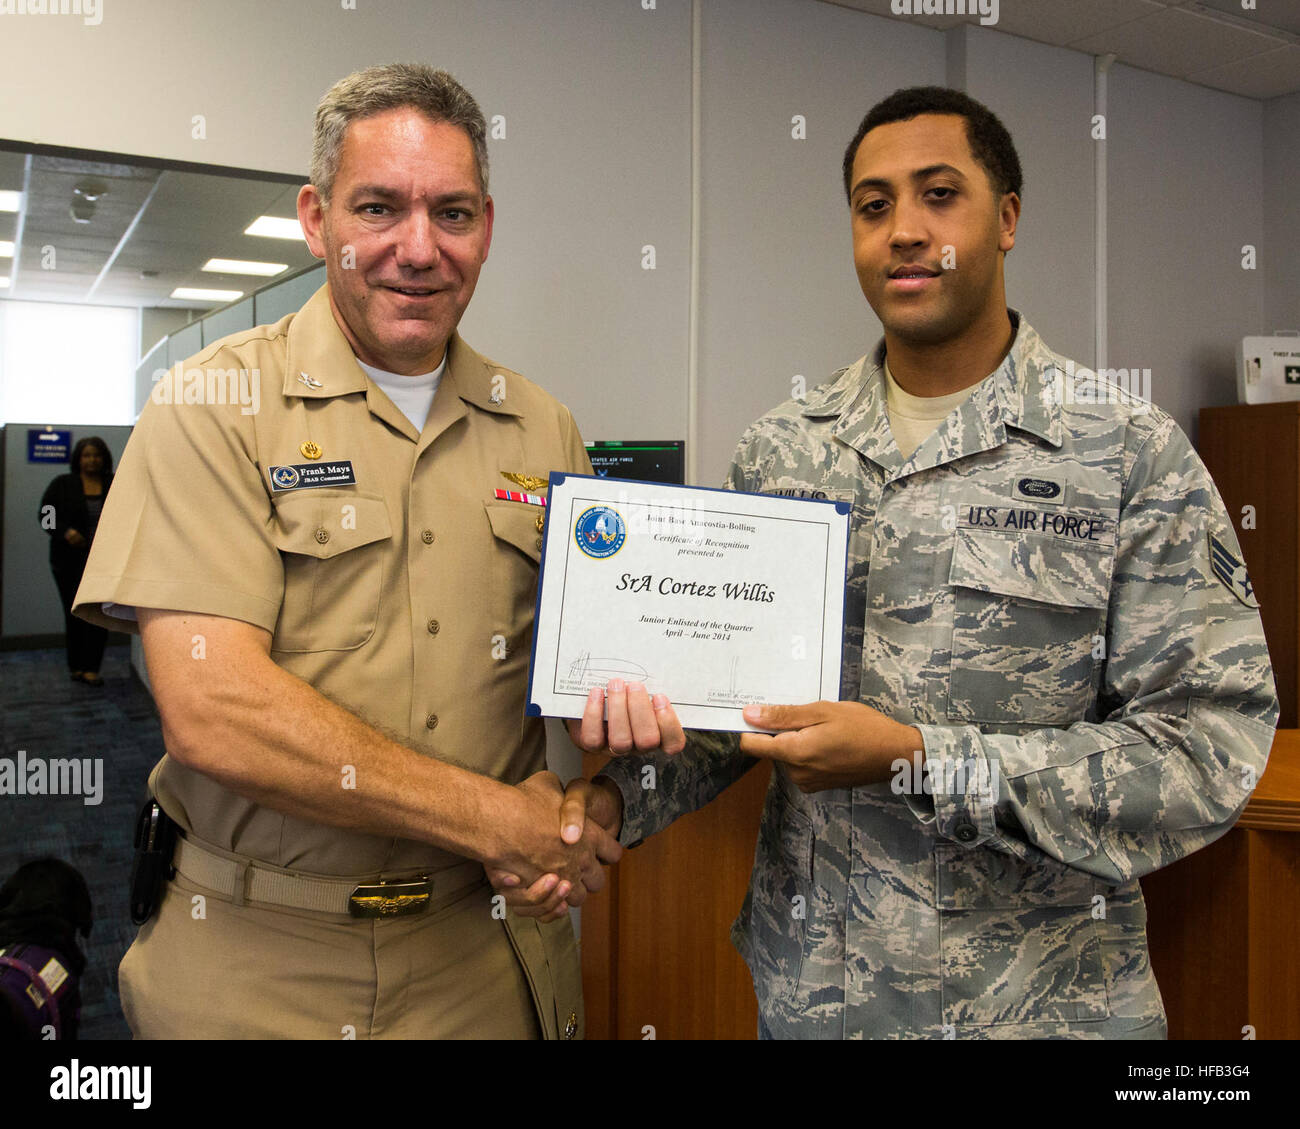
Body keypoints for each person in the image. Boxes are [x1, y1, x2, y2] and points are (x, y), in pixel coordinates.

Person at [493, 86, 1279, 1039]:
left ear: (1009, 219)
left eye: (939, 194)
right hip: (820, 999)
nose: (905, 230)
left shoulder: (1124, 452)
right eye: (874, 206)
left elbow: (1207, 750)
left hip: (1044, 1009)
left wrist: (918, 760)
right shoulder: (785, 450)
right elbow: (734, 719)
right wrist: (609, 802)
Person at [72, 63, 619, 1039]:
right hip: (263, 959)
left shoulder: (543, 429)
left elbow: (590, 686)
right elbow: (216, 709)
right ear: (317, 220)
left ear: (485, 227)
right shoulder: (213, 404)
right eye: (379, 208)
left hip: (481, 958)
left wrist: (593, 805)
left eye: (451, 214)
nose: (419, 248)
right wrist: (496, 817)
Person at [40, 436, 113, 686]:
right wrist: (63, 532)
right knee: (73, 614)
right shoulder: (62, 484)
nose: (92, 460)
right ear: (78, 459)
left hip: (103, 563)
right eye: (86, 455)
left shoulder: (114, 484)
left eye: (96, 455)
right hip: (67, 562)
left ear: (104, 458)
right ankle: (76, 667)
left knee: (98, 614)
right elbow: (45, 515)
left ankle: (92, 668)